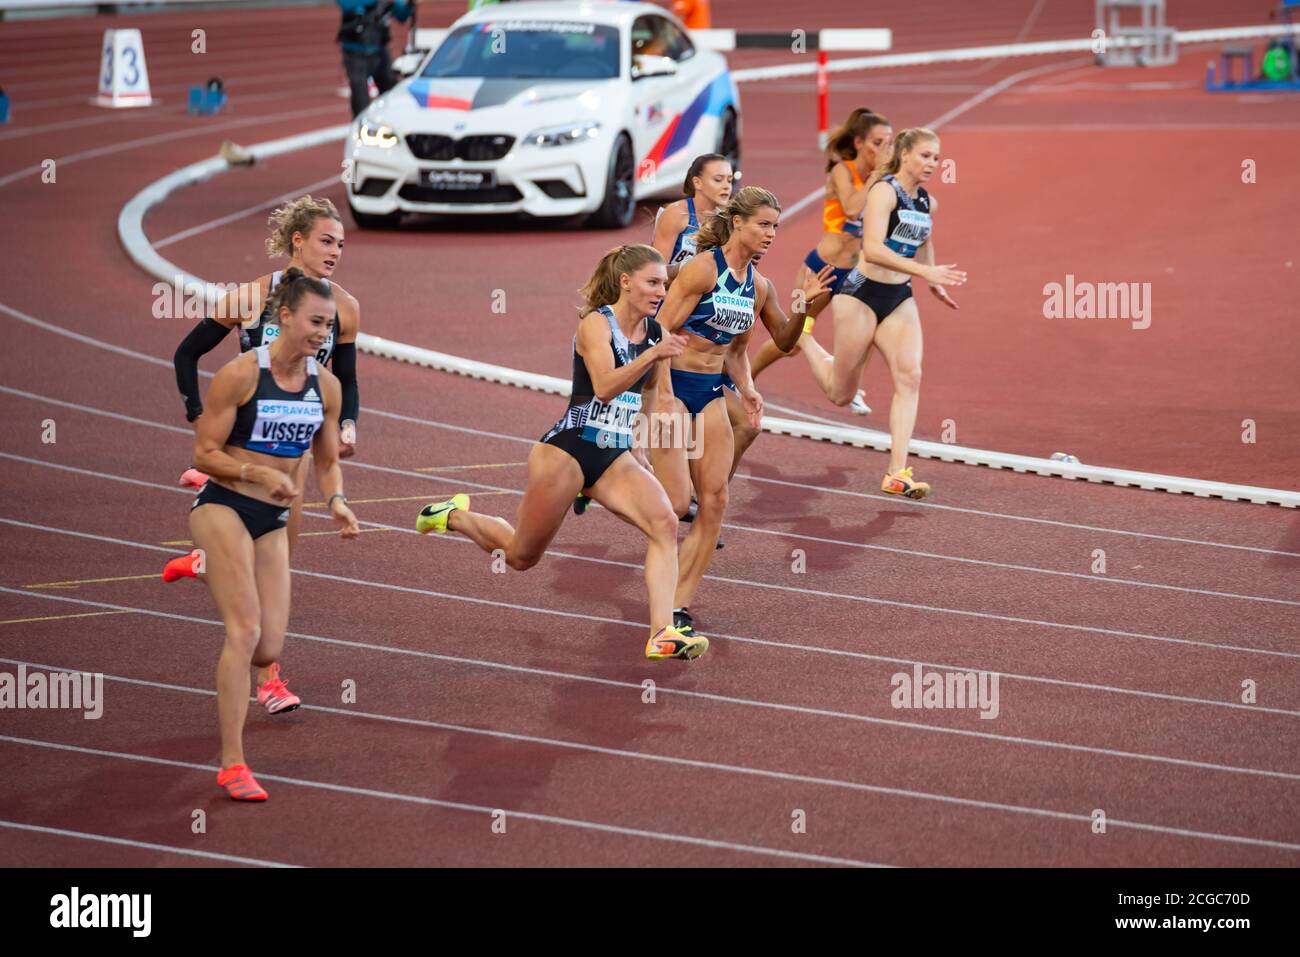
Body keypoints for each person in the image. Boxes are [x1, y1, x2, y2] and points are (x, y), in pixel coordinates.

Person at [415, 245, 708, 661]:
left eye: (664, 283)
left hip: (613, 455)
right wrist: (654, 355)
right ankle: (454, 515)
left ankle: (662, 632)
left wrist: (639, 445)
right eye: (653, 282)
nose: (662, 291)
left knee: (664, 521)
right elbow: (605, 386)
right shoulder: (596, 325)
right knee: (520, 556)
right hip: (568, 450)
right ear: (626, 283)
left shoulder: (656, 334)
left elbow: (648, 397)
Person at [167, 196, 360, 714]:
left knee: (277, 572)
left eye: (341, 244)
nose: (335, 251)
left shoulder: (342, 306)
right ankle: (269, 683)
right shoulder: (252, 297)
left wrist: (346, 424)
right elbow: (187, 353)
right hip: (242, 455)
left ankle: (208, 564)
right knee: (256, 586)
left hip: (293, 466)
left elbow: (347, 377)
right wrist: (197, 416)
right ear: (297, 241)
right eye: (326, 240)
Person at [190, 273, 359, 800]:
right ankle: (233, 763)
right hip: (224, 506)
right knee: (243, 631)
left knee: (269, 646)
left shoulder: (324, 387)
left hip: (272, 521)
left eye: (328, 326)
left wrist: (336, 501)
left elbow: (327, 462)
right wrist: (256, 474)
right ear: (283, 316)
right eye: (314, 322)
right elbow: (203, 454)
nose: (321, 334)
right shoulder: (240, 375)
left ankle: (205, 568)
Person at [653, 187, 832, 638]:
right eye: (763, 225)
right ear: (737, 223)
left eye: (776, 226)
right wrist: (662, 395)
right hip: (671, 388)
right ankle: (602, 483)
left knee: (714, 501)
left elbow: (780, 343)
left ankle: (678, 606)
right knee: (674, 505)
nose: (772, 234)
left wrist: (807, 310)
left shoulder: (759, 287)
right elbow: (658, 332)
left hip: (712, 392)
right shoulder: (700, 270)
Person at [798, 128, 965, 499]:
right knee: (842, 394)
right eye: (925, 156)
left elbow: (924, 240)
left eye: (936, 158)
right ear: (904, 154)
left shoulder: (927, 203)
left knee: (911, 375)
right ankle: (804, 337)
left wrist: (933, 278)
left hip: (898, 297)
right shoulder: (883, 192)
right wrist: (924, 273)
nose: (932, 165)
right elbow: (871, 249)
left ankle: (897, 472)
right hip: (859, 294)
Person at [751, 108, 894, 419]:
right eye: (879, 142)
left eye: (890, 142)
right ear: (859, 143)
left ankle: (850, 385)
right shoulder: (843, 171)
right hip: (824, 269)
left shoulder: (883, 180)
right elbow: (853, 210)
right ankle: (746, 379)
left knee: (870, 329)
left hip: (856, 273)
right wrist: (880, 176)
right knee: (790, 340)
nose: (886, 150)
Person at [338, 0, 413, 119]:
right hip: (356, 52)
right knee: (361, 99)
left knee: (391, 93)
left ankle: (392, 126)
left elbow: (402, 16)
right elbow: (346, 4)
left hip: (380, 51)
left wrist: (409, 4)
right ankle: (360, 128)